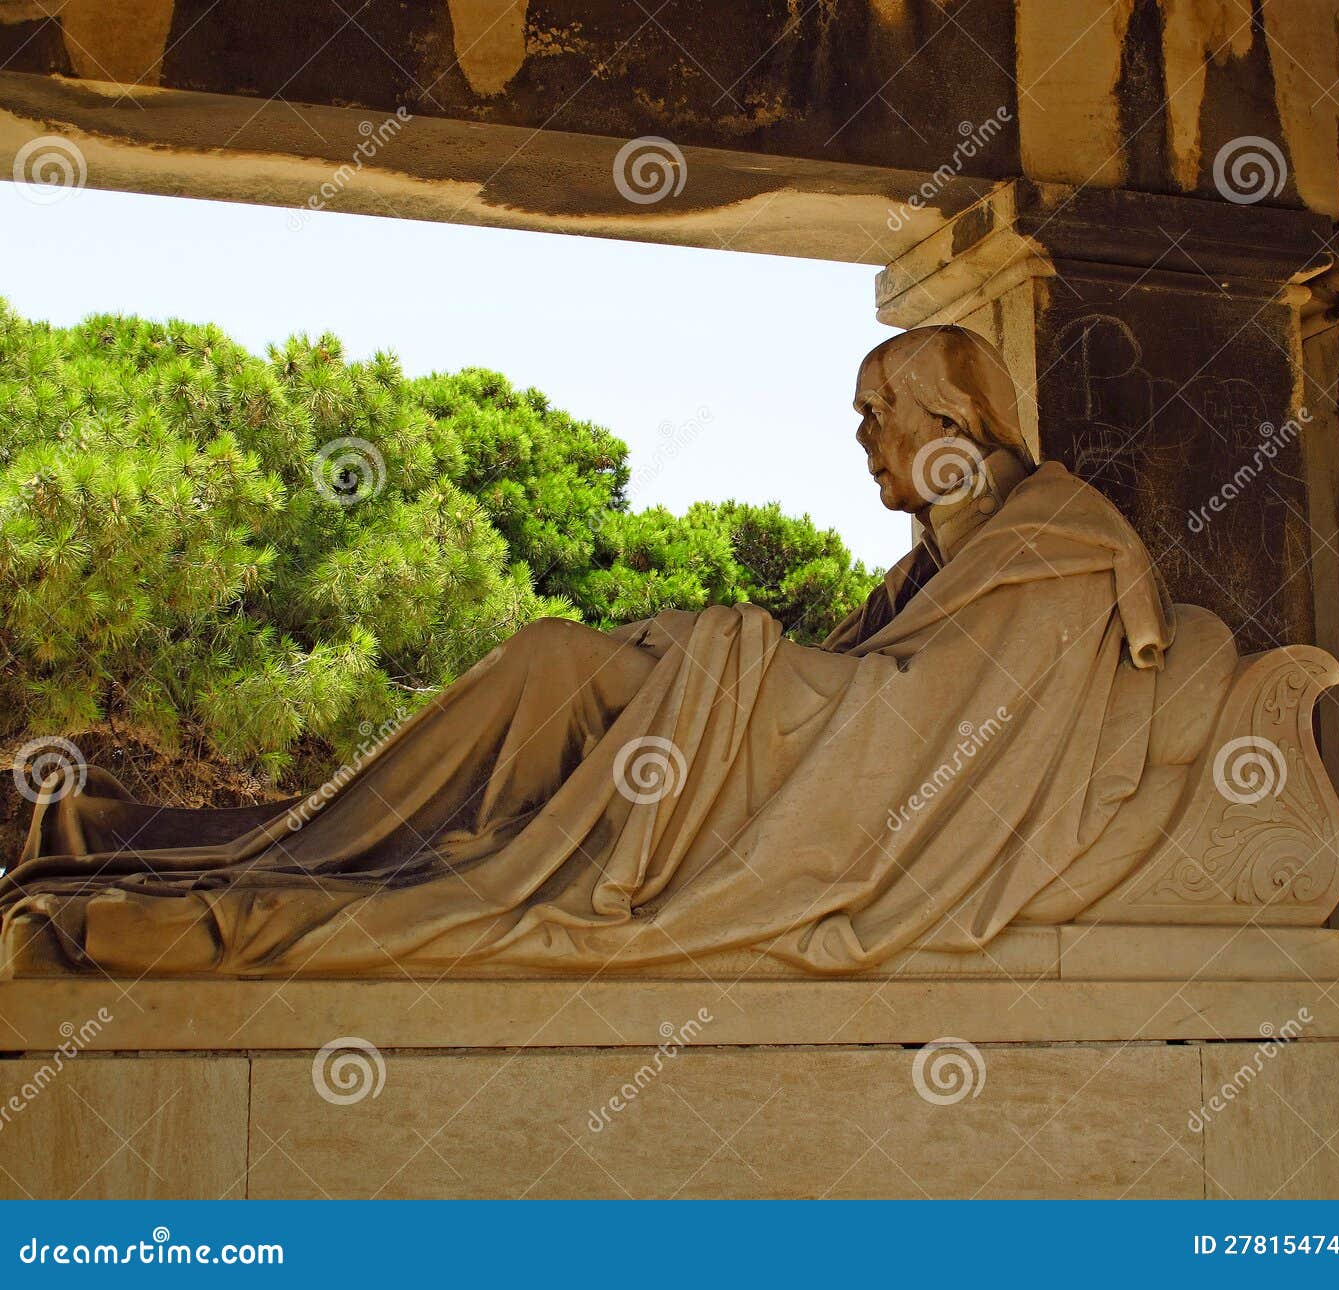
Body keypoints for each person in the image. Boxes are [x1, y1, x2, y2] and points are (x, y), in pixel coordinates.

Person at [0, 326, 1247, 977]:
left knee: (554, 657)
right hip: (774, 753)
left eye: (881, 415)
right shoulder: (933, 558)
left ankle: (261, 859)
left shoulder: (1057, 544)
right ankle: (249, 847)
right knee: (549, 664)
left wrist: (739, 655)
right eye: (863, 415)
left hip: (817, 792)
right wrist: (740, 662)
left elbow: (933, 737)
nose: (863, 439)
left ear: (960, 420)